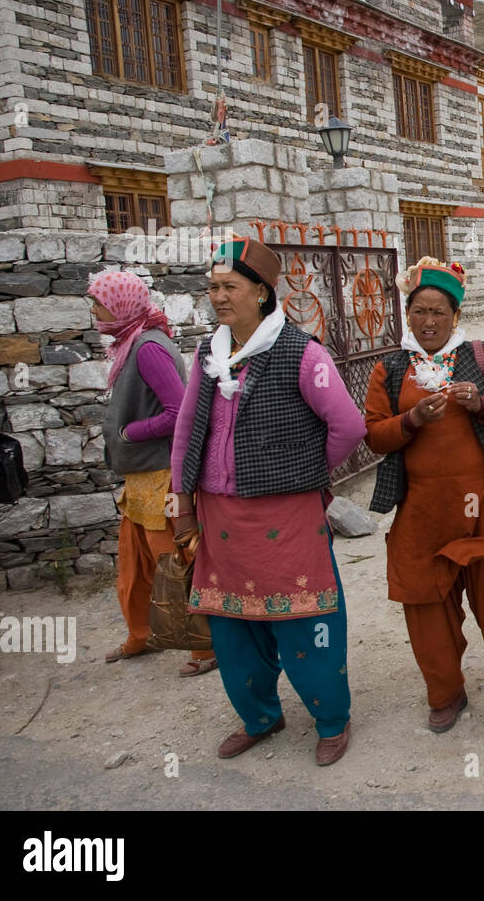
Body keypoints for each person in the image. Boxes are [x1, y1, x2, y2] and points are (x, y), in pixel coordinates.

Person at [170, 236, 366, 766]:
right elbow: (188, 427)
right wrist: (181, 501)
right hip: (220, 516)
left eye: (229, 286)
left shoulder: (302, 352)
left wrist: (306, 473)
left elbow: (349, 425)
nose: (218, 297)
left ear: (261, 292)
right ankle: (260, 716)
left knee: (307, 620)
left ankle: (331, 719)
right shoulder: (209, 353)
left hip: (287, 516)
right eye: (212, 287)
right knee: (233, 626)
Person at [364, 258, 484, 733]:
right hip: (421, 513)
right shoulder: (391, 368)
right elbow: (374, 435)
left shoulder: (481, 356)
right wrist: (413, 421)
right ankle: (445, 694)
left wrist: (479, 404)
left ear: (456, 316)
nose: (429, 322)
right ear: (408, 313)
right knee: (425, 608)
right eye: (420, 311)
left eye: (440, 312)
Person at [87, 271, 217, 676]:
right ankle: (142, 635)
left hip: (161, 477)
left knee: (172, 567)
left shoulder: (148, 348)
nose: (93, 310)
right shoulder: (132, 342)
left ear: (120, 304)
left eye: (98, 302)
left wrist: (128, 432)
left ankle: (204, 647)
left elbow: (179, 412)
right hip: (140, 480)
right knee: (135, 566)